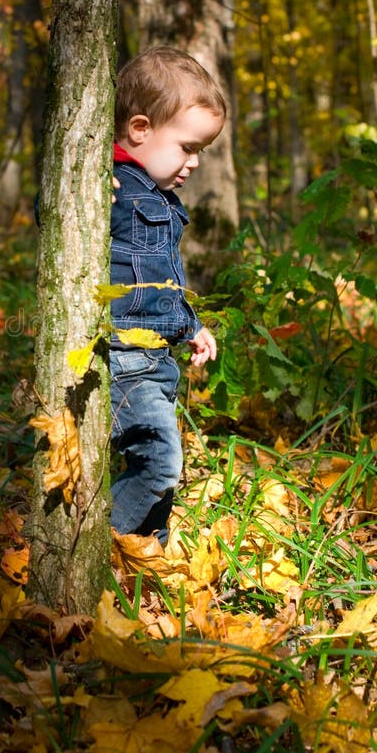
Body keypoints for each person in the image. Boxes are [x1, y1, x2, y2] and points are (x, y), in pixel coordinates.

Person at [110, 45, 226, 546]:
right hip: (124, 358)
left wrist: (190, 324)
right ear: (140, 129)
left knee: (159, 468)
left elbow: (159, 279)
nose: (194, 162)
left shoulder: (160, 197)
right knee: (161, 462)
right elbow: (54, 207)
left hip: (156, 358)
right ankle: (98, 543)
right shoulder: (111, 185)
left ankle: (148, 558)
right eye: (187, 146)